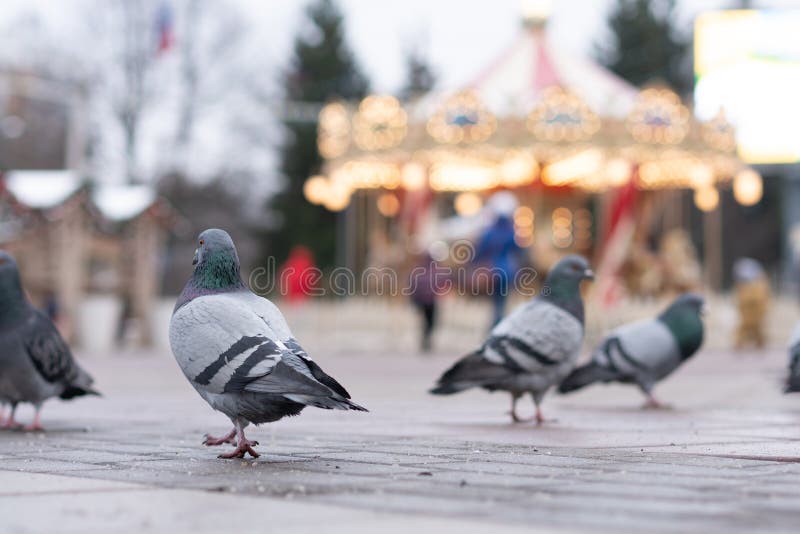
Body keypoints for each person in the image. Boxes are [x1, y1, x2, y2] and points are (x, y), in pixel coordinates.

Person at [474, 192, 526, 327]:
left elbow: (480, 251)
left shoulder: (489, 232)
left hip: (492, 271)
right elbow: (520, 252)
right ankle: (498, 324)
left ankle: (495, 325)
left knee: (495, 303)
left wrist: (473, 264)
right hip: (507, 271)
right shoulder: (512, 232)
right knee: (501, 302)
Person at [733, 257, 770, 350]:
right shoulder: (750, 285)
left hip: (755, 313)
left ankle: (758, 343)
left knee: (756, 329)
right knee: (747, 329)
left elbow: (760, 300)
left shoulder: (757, 285)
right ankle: (741, 344)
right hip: (749, 314)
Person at [409, 252, 438, 353]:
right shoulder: (431, 271)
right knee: (429, 322)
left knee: (427, 322)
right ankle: (426, 339)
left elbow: (413, 287)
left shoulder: (419, 271)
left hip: (425, 302)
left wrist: (413, 300)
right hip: (428, 302)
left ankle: (426, 339)